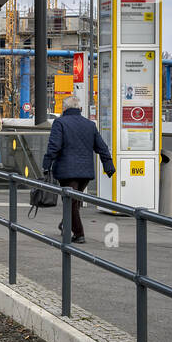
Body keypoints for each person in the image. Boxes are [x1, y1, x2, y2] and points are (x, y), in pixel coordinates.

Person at [42, 95, 115, 244]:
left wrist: (46, 165)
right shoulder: (89, 124)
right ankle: (64, 224)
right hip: (86, 172)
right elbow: (102, 147)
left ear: (64, 108)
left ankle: (79, 233)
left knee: (72, 202)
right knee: (73, 201)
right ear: (79, 108)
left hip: (67, 170)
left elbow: (54, 146)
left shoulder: (59, 123)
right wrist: (109, 167)